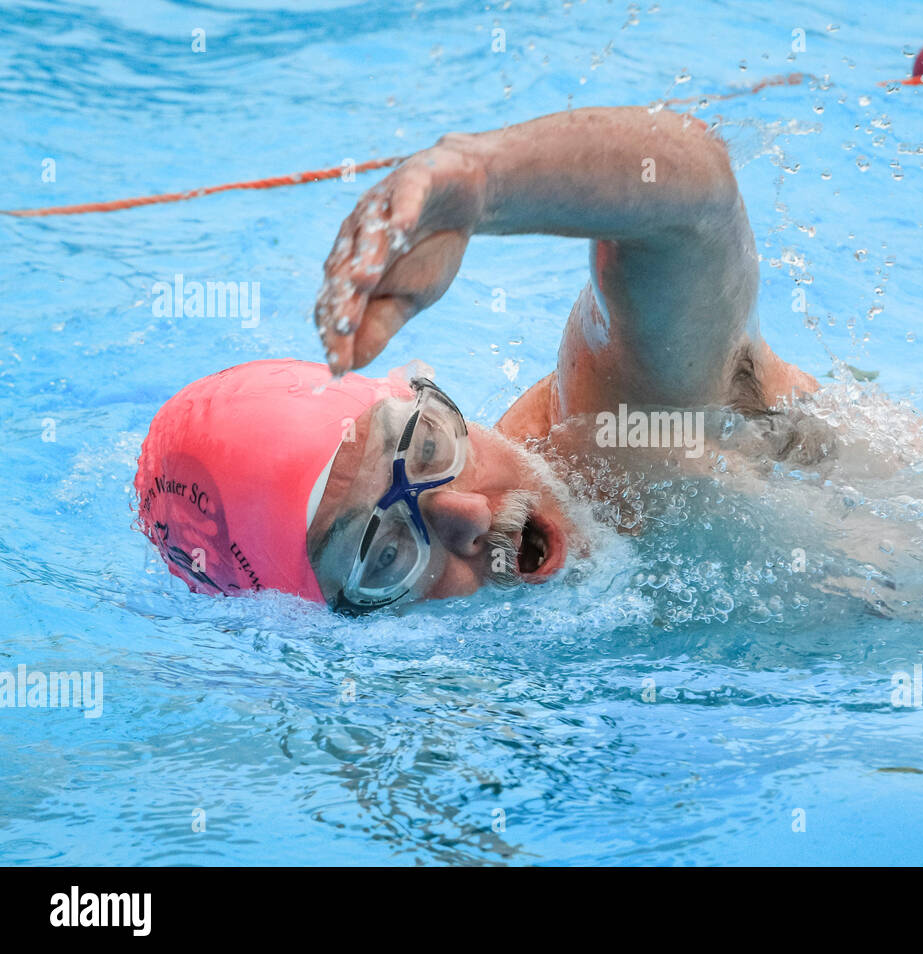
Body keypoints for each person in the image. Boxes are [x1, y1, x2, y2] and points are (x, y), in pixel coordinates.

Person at [135, 107, 821, 613]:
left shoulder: (622, 434)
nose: (466, 515)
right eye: (387, 554)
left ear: (427, 387)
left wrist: (478, 182)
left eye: (427, 447)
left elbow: (695, 198)